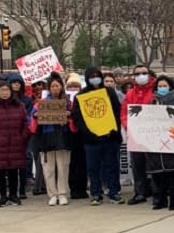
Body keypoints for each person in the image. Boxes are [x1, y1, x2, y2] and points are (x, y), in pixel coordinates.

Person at [72, 67, 123, 205]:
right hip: (91, 140)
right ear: (87, 78)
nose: (95, 78)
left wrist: (114, 130)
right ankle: (95, 194)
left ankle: (114, 192)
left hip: (110, 137)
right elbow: (78, 118)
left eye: (97, 75)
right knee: (93, 168)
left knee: (112, 166)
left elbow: (117, 112)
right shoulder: (81, 96)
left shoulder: (109, 92)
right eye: (92, 76)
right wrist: (89, 134)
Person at [0, 78, 30, 207]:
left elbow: (26, 124)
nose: (5, 93)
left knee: (14, 171)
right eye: (2, 90)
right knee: (1, 172)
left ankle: (14, 195)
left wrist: (22, 137)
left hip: (16, 143)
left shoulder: (20, 106)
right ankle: (3, 196)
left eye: (7, 90)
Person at [144, 75, 174, 211]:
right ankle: (161, 200)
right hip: (156, 143)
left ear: (170, 87)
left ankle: (173, 201)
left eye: (164, 86)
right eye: (159, 86)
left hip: (172, 141)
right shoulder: (152, 103)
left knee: (173, 173)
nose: (162, 88)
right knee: (158, 174)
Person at [30, 72, 75, 206]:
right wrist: (37, 115)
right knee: (48, 169)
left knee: (63, 167)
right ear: (49, 88)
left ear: (61, 87)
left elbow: (75, 119)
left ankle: (62, 193)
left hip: (63, 137)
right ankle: (52, 194)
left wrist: (69, 115)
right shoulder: (41, 103)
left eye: (58, 86)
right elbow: (32, 120)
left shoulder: (68, 103)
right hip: (46, 138)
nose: (55, 89)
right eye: (53, 86)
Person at [120, 65, 156, 205]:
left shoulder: (156, 90)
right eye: (138, 73)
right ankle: (140, 193)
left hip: (153, 134)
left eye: (144, 73)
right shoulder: (130, 93)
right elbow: (124, 111)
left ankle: (157, 192)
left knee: (154, 165)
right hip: (135, 135)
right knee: (137, 164)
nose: (141, 76)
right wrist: (127, 124)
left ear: (149, 74)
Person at [64, 73, 89, 200]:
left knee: (82, 162)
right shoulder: (64, 100)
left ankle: (82, 188)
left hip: (82, 133)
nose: (73, 89)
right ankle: (74, 189)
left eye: (76, 86)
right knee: (72, 163)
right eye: (71, 86)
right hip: (68, 134)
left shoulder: (84, 98)